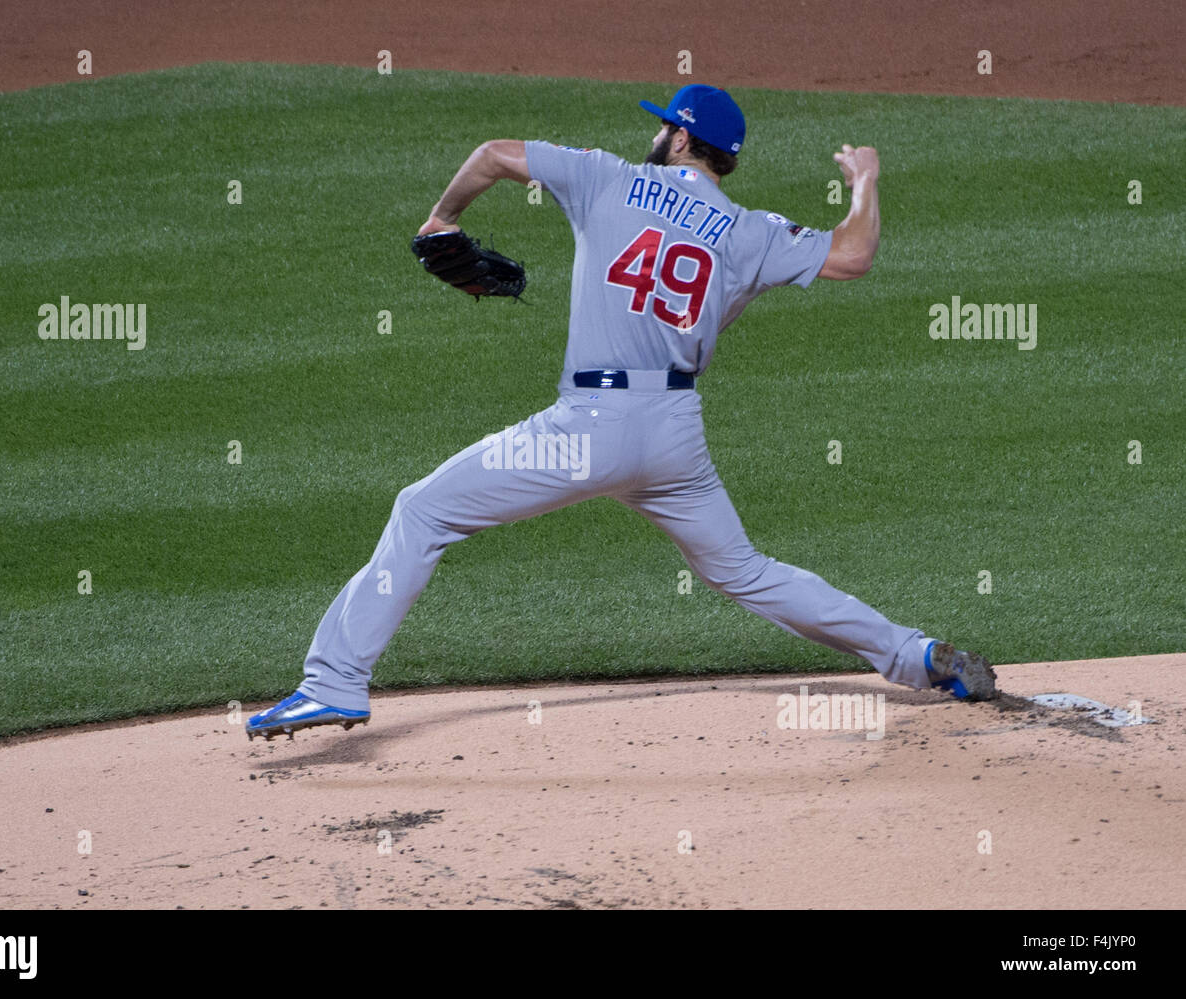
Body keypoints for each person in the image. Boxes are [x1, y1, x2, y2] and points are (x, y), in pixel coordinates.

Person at [246, 84, 996, 742]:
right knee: (746, 571)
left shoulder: (607, 175)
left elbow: (494, 154)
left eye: (665, 123)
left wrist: (442, 217)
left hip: (587, 428)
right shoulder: (746, 231)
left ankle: (334, 680)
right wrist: (864, 178)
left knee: (424, 510)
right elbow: (854, 254)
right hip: (672, 436)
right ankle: (915, 654)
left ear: (678, 135)